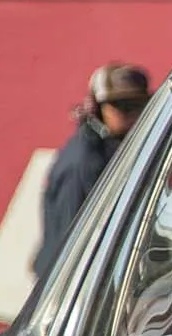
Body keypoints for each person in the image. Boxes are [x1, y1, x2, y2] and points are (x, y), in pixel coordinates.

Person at [33, 62, 152, 281]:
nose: (132, 114)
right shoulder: (82, 163)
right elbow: (70, 243)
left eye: (139, 105)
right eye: (120, 106)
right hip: (72, 285)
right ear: (97, 108)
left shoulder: (121, 152)